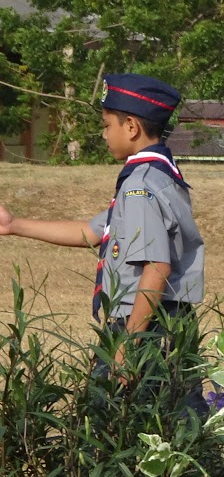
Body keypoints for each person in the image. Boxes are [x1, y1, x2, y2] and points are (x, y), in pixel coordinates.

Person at [0, 74, 203, 332]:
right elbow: (93, 232)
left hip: (146, 325)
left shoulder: (139, 186)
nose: (103, 134)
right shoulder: (160, 175)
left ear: (131, 127)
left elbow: (156, 268)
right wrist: (13, 225)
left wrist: (126, 349)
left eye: (107, 125)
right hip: (164, 320)